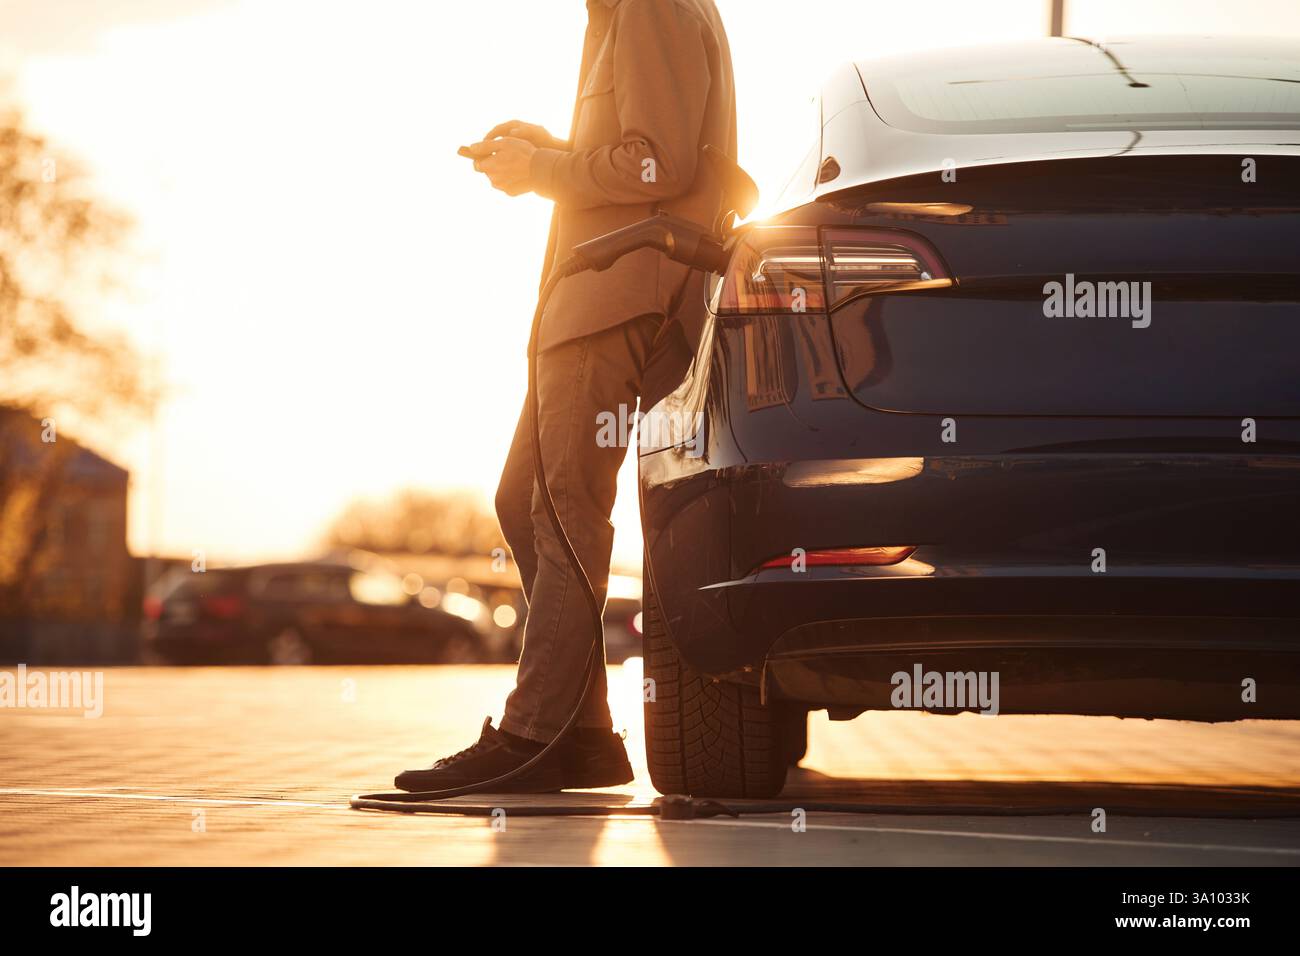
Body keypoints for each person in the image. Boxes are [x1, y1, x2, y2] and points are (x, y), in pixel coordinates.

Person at [394, 0, 737, 792]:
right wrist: (552, 151)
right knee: (526, 499)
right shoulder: (631, 15)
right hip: (603, 294)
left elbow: (660, 165)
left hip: (616, 294)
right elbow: (641, 158)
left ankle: (532, 734)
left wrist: (539, 171)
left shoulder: (650, 8)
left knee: (565, 506)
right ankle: (582, 734)